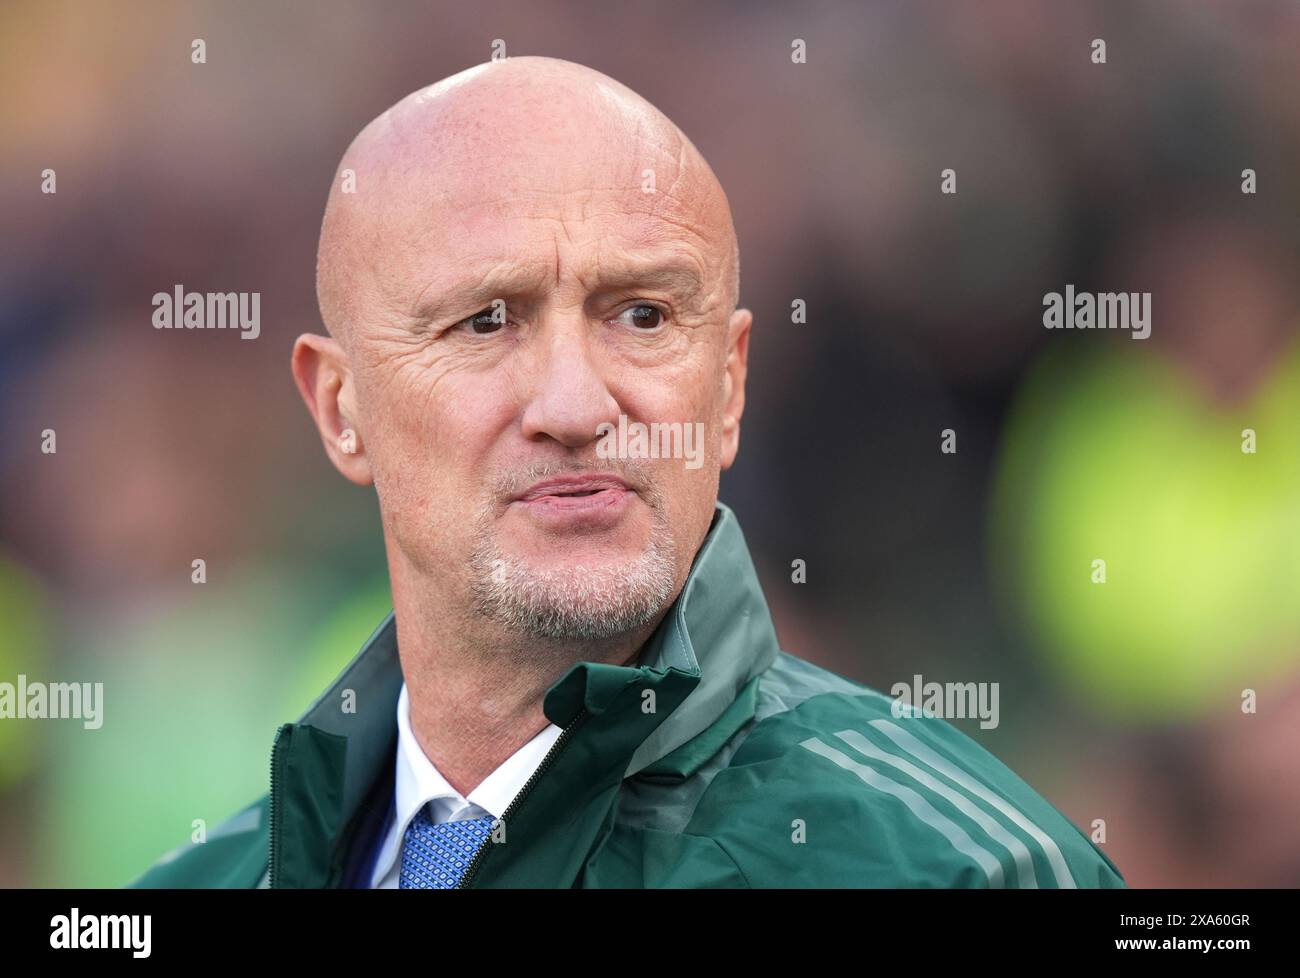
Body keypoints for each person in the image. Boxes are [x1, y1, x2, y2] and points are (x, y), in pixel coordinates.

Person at [131, 56, 1123, 888]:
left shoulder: (951, 872)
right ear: (342, 410)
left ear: (727, 389)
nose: (574, 407)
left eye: (642, 315)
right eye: (485, 321)